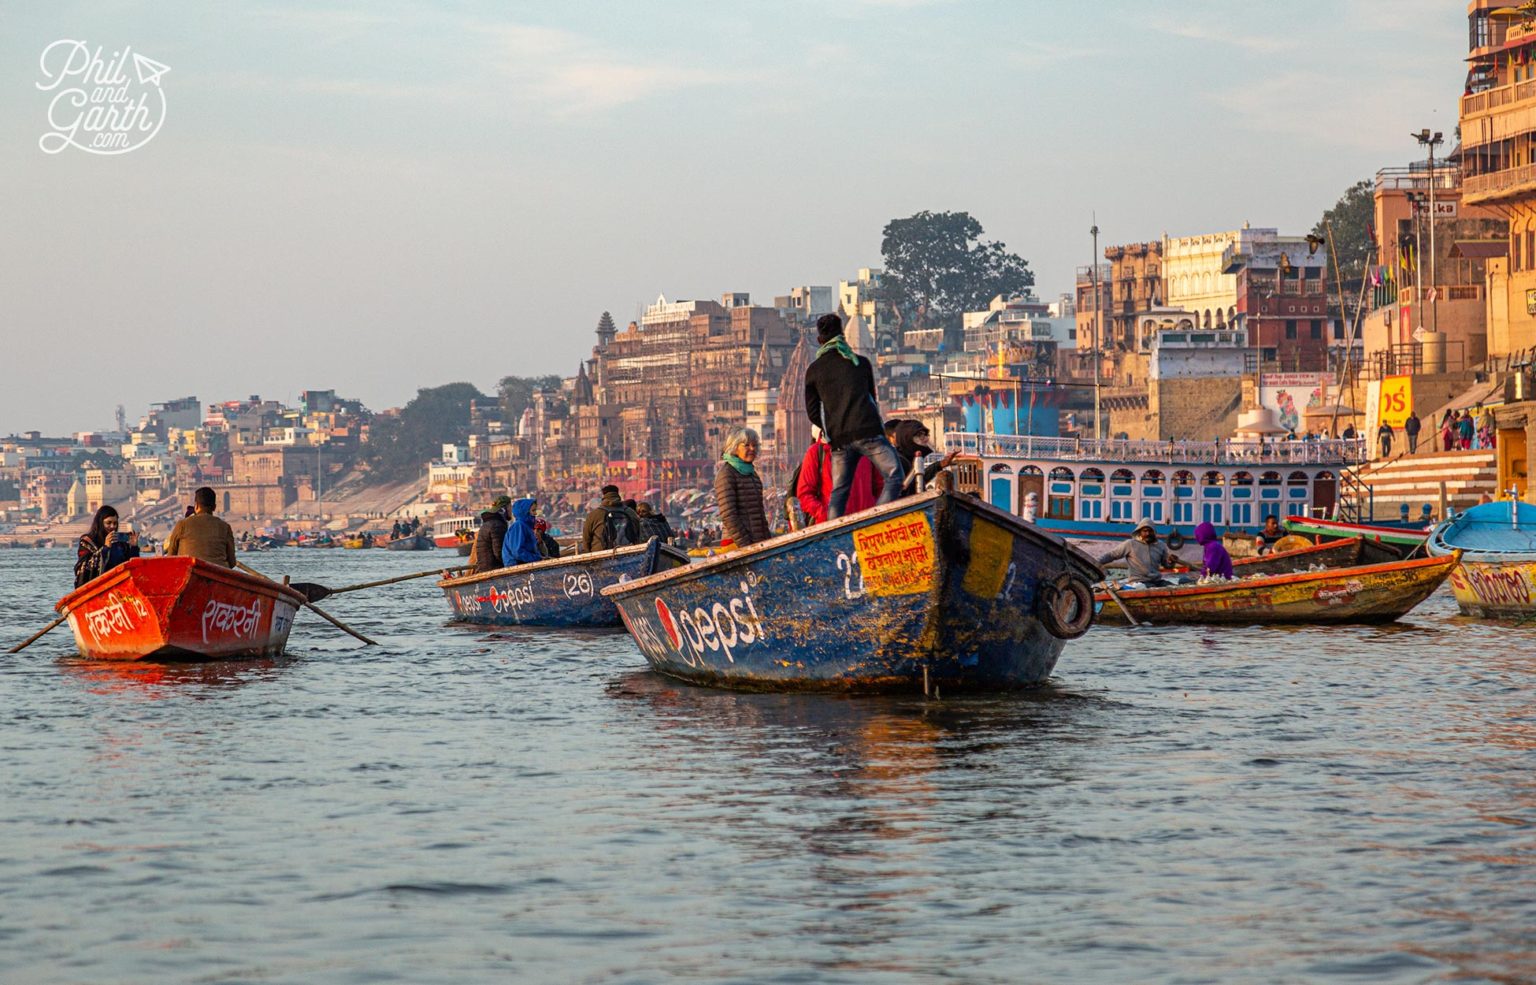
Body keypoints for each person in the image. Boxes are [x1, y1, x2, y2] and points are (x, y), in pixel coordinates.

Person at [803, 313, 904, 520]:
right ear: (842, 335)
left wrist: (831, 429)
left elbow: (813, 413)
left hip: (839, 440)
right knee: (895, 476)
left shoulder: (813, 371)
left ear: (819, 340)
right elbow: (871, 400)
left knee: (839, 492)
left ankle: (834, 534)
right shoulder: (860, 362)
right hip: (868, 432)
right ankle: (876, 520)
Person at [796, 425, 882, 524]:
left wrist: (873, 511)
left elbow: (880, 486)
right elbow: (804, 495)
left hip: (866, 525)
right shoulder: (816, 452)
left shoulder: (867, 447)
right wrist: (826, 515)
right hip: (833, 528)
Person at [714, 426, 771, 549]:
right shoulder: (727, 474)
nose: (752, 449)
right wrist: (746, 546)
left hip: (757, 544)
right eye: (746, 445)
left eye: (754, 445)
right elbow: (729, 515)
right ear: (734, 448)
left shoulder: (752, 474)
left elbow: (759, 513)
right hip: (737, 545)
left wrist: (767, 540)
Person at [164, 486, 238, 568]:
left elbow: (170, 557)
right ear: (214, 507)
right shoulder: (225, 527)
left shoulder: (182, 524)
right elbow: (232, 562)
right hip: (218, 573)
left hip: (188, 570)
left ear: (196, 506)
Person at [74, 505, 140, 588]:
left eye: (115, 523)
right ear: (100, 523)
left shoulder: (121, 544)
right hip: (96, 587)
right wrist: (105, 548)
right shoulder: (87, 541)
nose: (112, 527)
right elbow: (83, 566)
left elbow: (132, 567)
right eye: (108, 523)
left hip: (120, 585)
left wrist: (134, 547)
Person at [891, 420, 959, 496]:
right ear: (907, 437)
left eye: (925, 435)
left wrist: (940, 464)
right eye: (920, 435)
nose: (925, 439)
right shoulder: (899, 462)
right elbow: (902, 491)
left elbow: (919, 480)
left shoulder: (910, 458)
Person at [1099, 519, 1175, 586]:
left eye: (1150, 531)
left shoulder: (1160, 545)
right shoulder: (1130, 544)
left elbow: (1167, 565)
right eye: (1145, 531)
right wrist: (1096, 562)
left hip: (1157, 581)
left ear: (1154, 532)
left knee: (1174, 587)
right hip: (1139, 582)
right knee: (1150, 587)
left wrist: (1171, 562)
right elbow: (1112, 555)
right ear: (1140, 532)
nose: (1148, 533)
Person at [579, 484, 641, 553]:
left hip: (600, 555)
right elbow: (638, 533)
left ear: (604, 495)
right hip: (627, 553)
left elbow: (586, 540)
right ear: (617, 494)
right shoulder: (630, 512)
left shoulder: (594, 515)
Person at [468, 495, 511, 573]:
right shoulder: (497, 525)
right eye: (510, 507)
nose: (511, 510)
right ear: (504, 509)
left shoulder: (488, 524)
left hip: (485, 568)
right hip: (493, 569)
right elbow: (499, 553)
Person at [501, 497, 543, 567]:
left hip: (525, 565)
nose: (535, 513)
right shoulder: (519, 526)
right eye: (533, 510)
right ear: (525, 512)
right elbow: (517, 552)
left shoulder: (526, 526)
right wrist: (537, 559)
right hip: (516, 566)